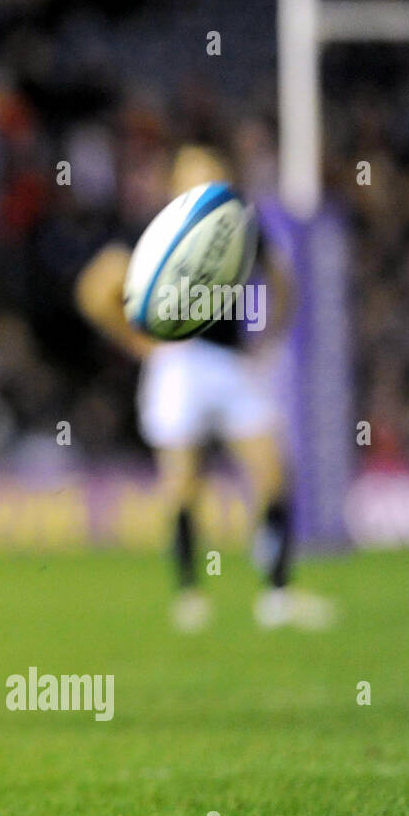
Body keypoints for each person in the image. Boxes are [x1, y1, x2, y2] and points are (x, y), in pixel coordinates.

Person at [76, 144, 333, 632]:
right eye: (198, 177)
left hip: (230, 363)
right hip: (178, 363)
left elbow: (281, 282)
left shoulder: (240, 228)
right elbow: (95, 286)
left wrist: (268, 335)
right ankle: (190, 595)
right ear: (176, 185)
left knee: (274, 473)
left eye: (216, 176)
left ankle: (278, 595)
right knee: (182, 484)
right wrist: (140, 344)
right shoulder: (155, 232)